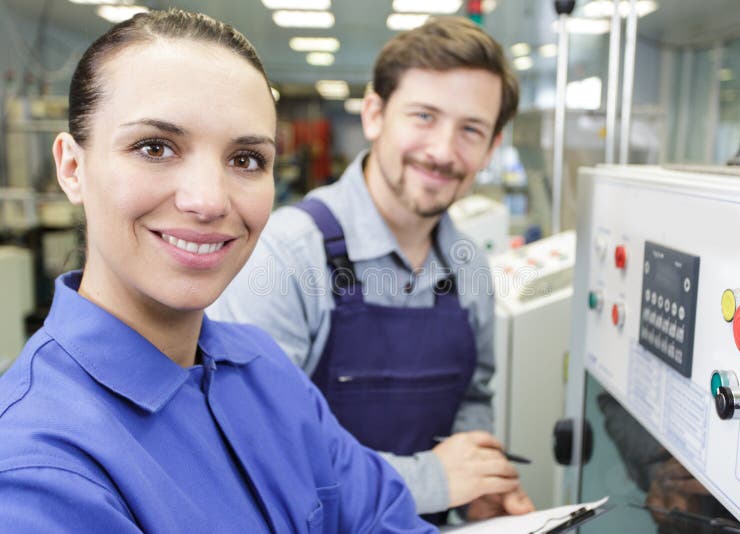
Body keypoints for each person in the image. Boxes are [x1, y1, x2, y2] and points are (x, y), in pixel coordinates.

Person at [0, 9, 435, 533]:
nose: (208, 201)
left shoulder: (263, 369)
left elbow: (387, 518)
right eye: (154, 148)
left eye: (246, 159)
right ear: (72, 168)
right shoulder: (35, 467)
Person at [209, 16, 534, 521]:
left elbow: (474, 395)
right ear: (375, 114)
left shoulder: (469, 265)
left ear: (491, 149)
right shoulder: (287, 253)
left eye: (471, 130)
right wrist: (434, 480)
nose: (443, 151)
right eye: (424, 116)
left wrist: (478, 483)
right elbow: (259, 449)